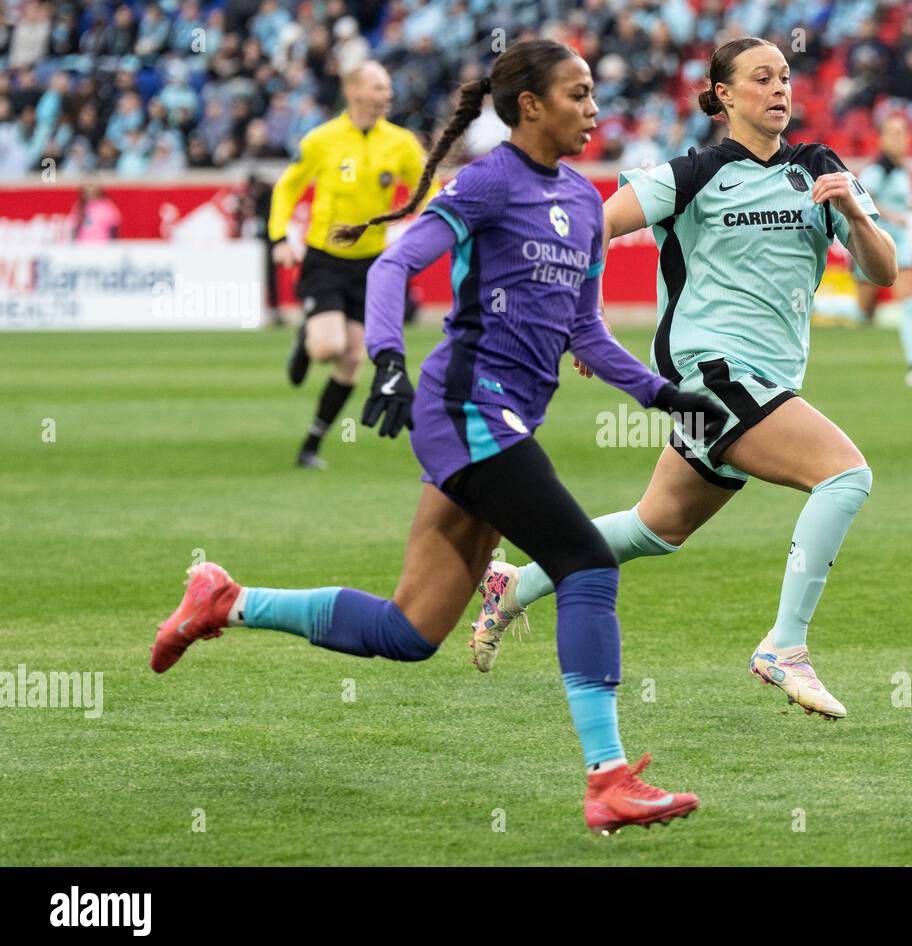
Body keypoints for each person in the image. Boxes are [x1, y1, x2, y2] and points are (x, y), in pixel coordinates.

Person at [149, 40, 729, 836]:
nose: (595, 109)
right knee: (585, 561)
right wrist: (387, 361)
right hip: (467, 408)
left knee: (411, 630)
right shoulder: (488, 181)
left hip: (504, 420)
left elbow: (586, 333)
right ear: (530, 105)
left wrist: (667, 397)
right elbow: (392, 268)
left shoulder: (589, 203)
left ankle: (226, 600)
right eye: (579, 94)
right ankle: (607, 780)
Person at [468, 37, 898, 722]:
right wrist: (583, 319)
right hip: (712, 371)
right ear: (724, 96)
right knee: (844, 476)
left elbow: (883, 271)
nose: (780, 88)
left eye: (785, 76)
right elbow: (590, 227)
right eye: (762, 78)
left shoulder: (820, 169)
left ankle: (514, 584)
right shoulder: (691, 174)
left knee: (655, 527)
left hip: (764, 378)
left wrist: (850, 214)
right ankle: (785, 648)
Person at [269, 61, 428, 470]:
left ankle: (311, 444)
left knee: (352, 359)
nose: (387, 93)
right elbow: (288, 186)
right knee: (327, 347)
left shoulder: (402, 142)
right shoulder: (322, 140)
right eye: (378, 86)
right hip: (326, 258)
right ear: (354, 91)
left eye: (388, 86)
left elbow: (428, 190)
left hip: (373, 263)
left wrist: (428, 231)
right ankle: (308, 335)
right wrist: (279, 236)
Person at [853, 114, 912, 385]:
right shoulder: (874, 172)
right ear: (881, 139)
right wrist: (892, 216)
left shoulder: (902, 171)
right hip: (873, 243)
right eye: (893, 133)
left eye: (904, 132)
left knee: (911, 302)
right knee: (863, 310)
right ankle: (822, 311)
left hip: (900, 244)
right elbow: (860, 202)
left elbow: (904, 204)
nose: (900, 138)